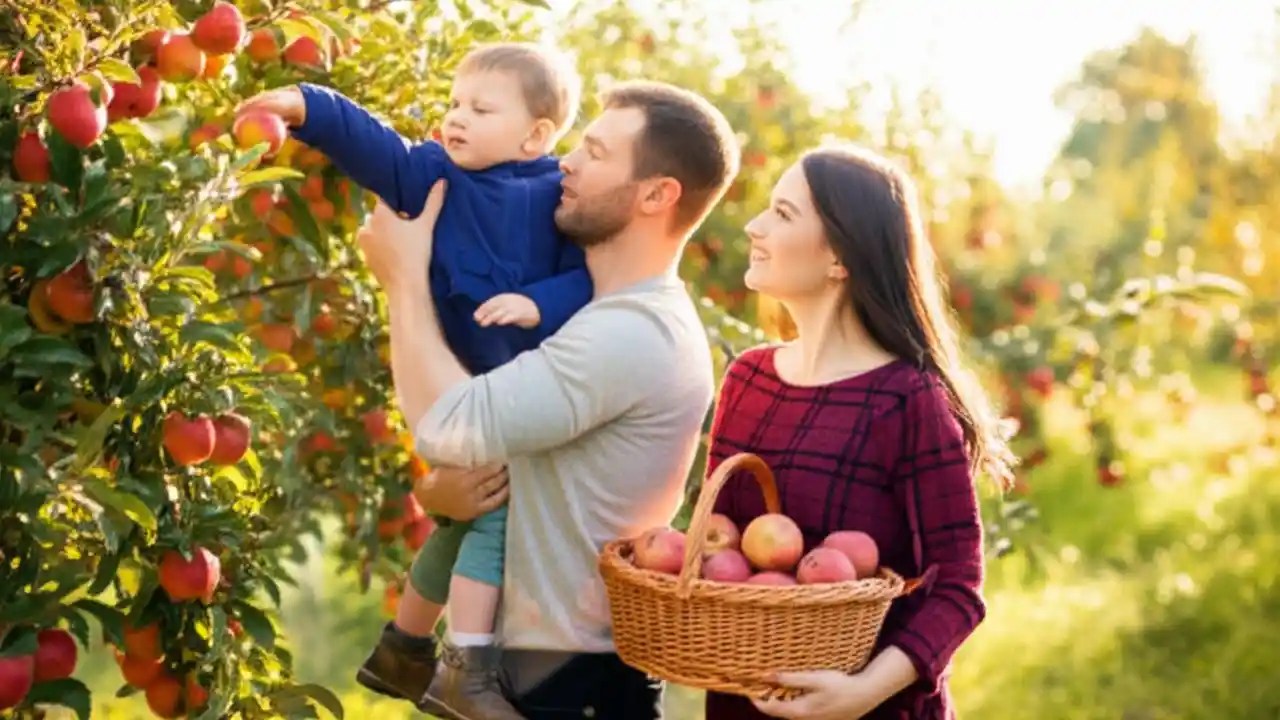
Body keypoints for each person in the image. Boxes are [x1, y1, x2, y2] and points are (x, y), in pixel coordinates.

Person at [355, 80, 741, 719]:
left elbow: (448, 427)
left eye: (595, 152)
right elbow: (502, 458)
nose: (567, 161)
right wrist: (443, 495)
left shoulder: (629, 332)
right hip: (533, 672)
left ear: (656, 194)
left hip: (569, 682)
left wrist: (403, 280)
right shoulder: (589, 313)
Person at [235, 43, 592, 718]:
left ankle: (402, 646)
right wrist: (304, 106)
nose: (455, 118)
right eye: (455, 103)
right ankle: (468, 669)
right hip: (459, 390)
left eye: (480, 109)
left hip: (527, 394)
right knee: (497, 516)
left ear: (537, 134)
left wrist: (541, 301)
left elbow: (588, 279)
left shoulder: (560, 198)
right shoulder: (432, 175)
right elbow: (373, 145)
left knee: (465, 523)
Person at [702, 146, 1017, 720]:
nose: (754, 225)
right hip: (747, 700)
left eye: (783, 213)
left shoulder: (908, 401)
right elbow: (718, 545)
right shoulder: (747, 378)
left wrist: (863, 691)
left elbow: (958, 591)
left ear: (840, 258)